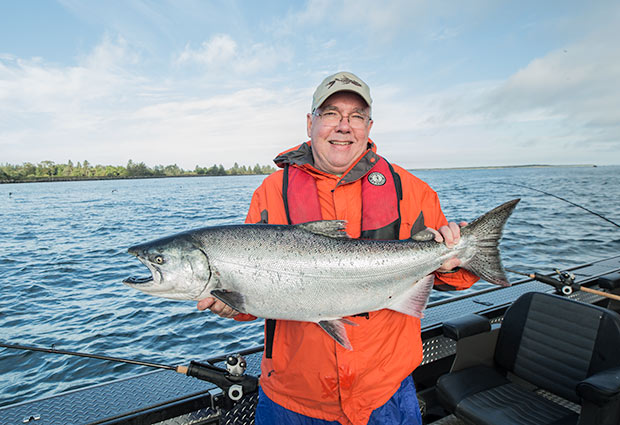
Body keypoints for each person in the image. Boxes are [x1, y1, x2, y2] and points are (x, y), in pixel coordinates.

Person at [198, 71, 479, 424]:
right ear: (310, 122)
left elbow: (456, 277)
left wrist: (454, 262)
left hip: (385, 394)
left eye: (356, 116)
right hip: (292, 398)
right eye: (331, 113)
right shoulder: (271, 192)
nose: (344, 126)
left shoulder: (413, 190)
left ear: (369, 126)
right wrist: (231, 306)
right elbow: (253, 295)